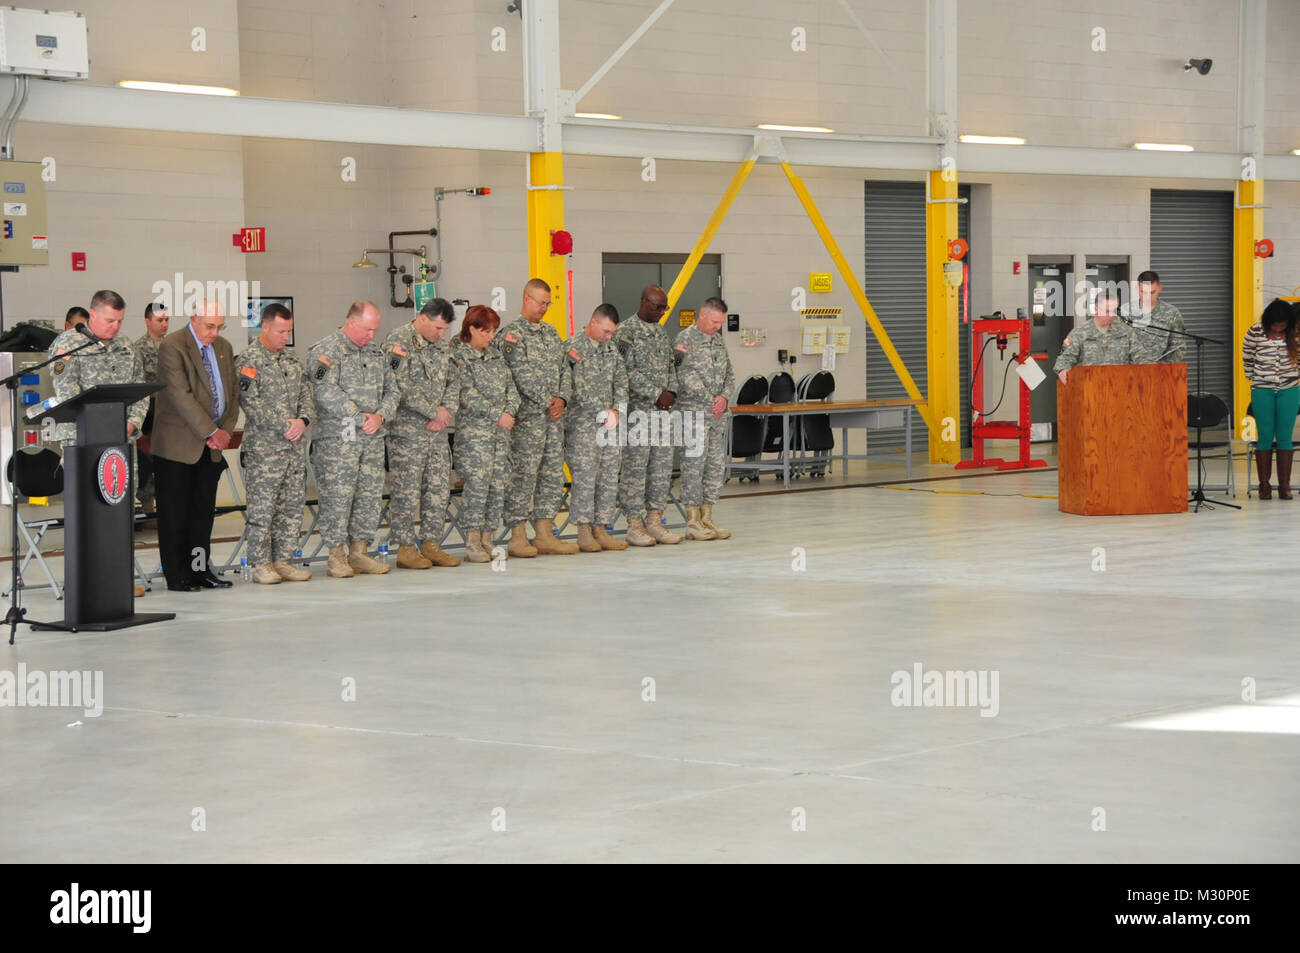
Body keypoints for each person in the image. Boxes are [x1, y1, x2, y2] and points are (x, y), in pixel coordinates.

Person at [47, 290, 150, 598]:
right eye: (109, 320)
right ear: (92, 315)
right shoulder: (67, 345)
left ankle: (119, 579)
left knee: (119, 512)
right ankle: (86, 581)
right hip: (83, 445)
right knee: (88, 513)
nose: (115, 327)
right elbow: (68, 393)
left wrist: (133, 422)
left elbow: (140, 390)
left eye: (119, 321)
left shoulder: (125, 346)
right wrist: (102, 424)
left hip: (120, 443)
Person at [152, 301, 240, 592]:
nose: (214, 332)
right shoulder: (173, 346)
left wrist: (226, 430)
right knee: (175, 514)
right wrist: (211, 431)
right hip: (178, 446)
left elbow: (232, 394)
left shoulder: (224, 347)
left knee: (202, 516)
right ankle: (177, 576)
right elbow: (181, 397)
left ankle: (201, 570)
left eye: (219, 326)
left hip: (212, 446)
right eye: (209, 326)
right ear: (193, 318)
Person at [308, 300, 399, 578]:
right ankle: (336, 556)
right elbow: (325, 392)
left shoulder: (375, 353)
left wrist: (380, 417)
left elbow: (393, 391)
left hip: (372, 438)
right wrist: (362, 418)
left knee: (369, 497)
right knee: (338, 497)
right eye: (368, 329)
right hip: (339, 441)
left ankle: (359, 553)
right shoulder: (325, 351)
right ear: (352, 322)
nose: (372, 336)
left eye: (376, 330)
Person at [495, 278, 577, 557]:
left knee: (552, 476)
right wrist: (547, 400)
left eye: (547, 303)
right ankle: (518, 536)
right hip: (527, 421)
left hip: (553, 422)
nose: (544, 308)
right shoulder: (511, 335)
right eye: (540, 302)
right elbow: (519, 373)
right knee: (523, 477)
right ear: (526, 299)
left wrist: (562, 399)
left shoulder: (552, 334)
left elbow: (566, 370)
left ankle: (544, 532)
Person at [235, 303, 314, 583]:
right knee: (262, 509)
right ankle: (261, 564)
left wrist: (302, 420)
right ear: (265, 327)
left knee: (292, 507)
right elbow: (249, 402)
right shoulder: (248, 360)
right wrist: (285, 425)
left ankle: (284, 560)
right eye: (280, 331)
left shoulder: (292, 360)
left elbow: (307, 393)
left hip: (293, 448)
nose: (285, 336)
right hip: (265, 449)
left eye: (288, 331)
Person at [383, 297, 461, 569]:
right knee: (406, 491)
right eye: (438, 328)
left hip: (438, 432)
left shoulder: (442, 346)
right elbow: (398, 385)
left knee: (439, 489)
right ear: (424, 318)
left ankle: (432, 544)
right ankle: (405, 548)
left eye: (445, 330)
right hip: (408, 432)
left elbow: (454, 380)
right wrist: (433, 411)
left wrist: (446, 411)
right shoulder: (398, 341)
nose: (441, 335)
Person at [613, 284, 683, 546]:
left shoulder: (661, 334)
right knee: (635, 470)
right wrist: (656, 393)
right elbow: (624, 372)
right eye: (658, 306)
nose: (662, 312)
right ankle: (634, 524)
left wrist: (672, 392)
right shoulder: (626, 334)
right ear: (644, 302)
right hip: (638, 415)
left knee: (661, 469)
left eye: (665, 307)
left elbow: (671, 368)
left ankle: (655, 521)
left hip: (662, 415)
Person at [452, 305, 518, 563]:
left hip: (500, 436)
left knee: (497, 487)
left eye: (494, 331)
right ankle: (472, 542)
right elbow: (466, 394)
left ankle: (488, 538)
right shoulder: (459, 356)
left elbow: (511, 387)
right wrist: (496, 414)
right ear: (471, 329)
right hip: (474, 437)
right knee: (477, 489)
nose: (491, 336)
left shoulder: (495, 356)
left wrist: (509, 411)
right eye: (486, 331)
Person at [565, 304, 630, 552]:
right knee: (585, 477)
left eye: (612, 333)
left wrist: (618, 410)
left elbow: (622, 381)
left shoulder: (611, 348)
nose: (609, 337)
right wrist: (604, 412)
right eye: (605, 331)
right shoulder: (573, 349)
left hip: (611, 425)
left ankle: (601, 528)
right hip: (583, 426)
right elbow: (577, 389)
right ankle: (583, 530)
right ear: (593, 322)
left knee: (608, 477)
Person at [675, 297, 735, 540]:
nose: (717, 327)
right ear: (702, 315)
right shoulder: (684, 340)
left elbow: (730, 373)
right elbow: (684, 374)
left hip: (717, 416)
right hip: (694, 414)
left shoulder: (718, 341)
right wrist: (712, 399)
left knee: (714, 466)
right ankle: (692, 521)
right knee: (693, 466)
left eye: (720, 323)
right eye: (714, 321)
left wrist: (724, 397)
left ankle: (708, 517)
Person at [1242, 299, 1300, 500]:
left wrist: (1294, 375)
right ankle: (1264, 485)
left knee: (1285, 435)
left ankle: (1285, 485)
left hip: (1290, 389)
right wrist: (1254, 377)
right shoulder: (1256, 331)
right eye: (1275, 324)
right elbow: (1247, 355)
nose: (1278, 328)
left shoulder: (1295, 333)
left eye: (1282, 325)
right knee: (1265, 435)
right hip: (1262, 389)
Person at [1054, 290, 1135, 385]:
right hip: (1090, 390)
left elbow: (1141, 357)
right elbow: (1065, 358)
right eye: (1107, 311)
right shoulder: (1080, 332)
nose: (1111, 315)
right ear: (1096, 309)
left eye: (1114, 311)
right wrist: (1063, 370)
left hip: (1120, 389)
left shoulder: (1126, 331)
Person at [134, 302, 169, 517]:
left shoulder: (173, 346)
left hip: (171, 411)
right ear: (148, 321)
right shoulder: (138, 349)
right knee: (147, 461)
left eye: (167, 320)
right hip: (149, 412)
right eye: (160, 320)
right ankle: (147, 506)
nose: (164, 324)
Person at [1123, 270, 1186, 364]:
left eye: (1152, 292)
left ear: (1160, 288)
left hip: (1160, 371)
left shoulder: (1172, 313)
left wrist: (1163, 365)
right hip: (1130, 371)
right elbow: (1118, 344)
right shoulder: (1125, 311)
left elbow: (1178, 346)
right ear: (1137, 289)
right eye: (1143, 292)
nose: (1148, 296)